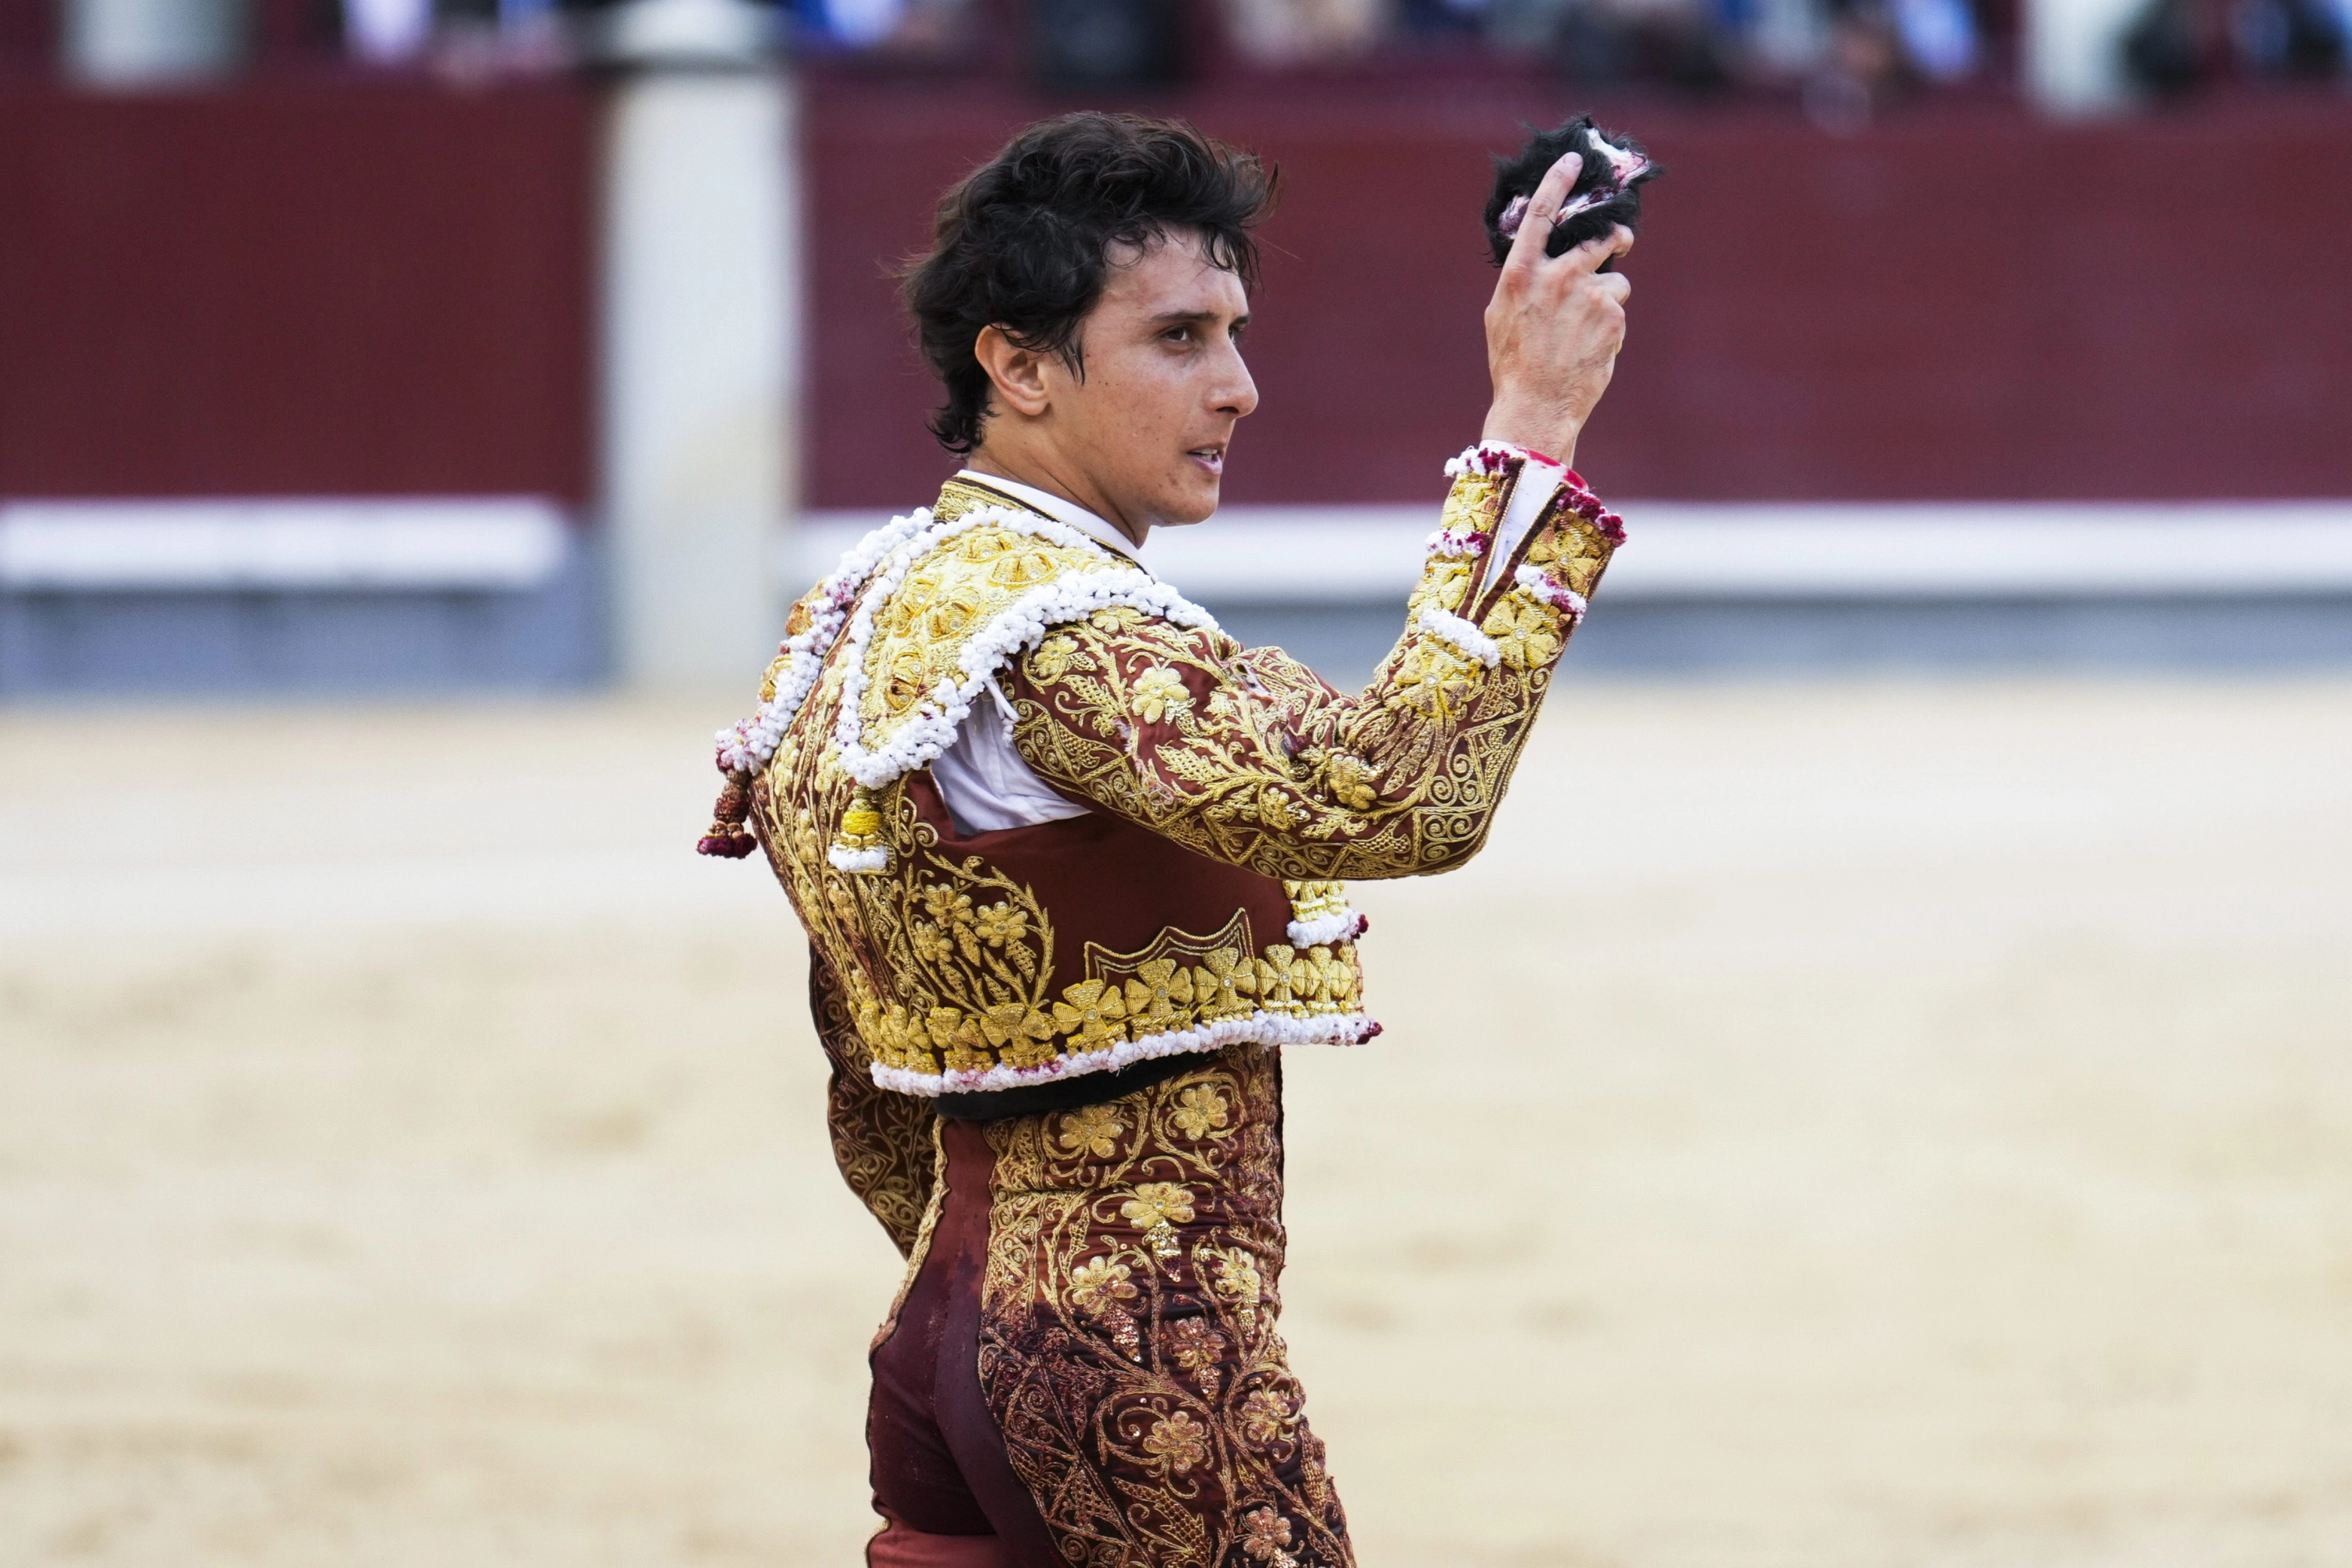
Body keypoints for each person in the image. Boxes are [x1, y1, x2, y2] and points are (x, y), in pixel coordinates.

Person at [699, 111, 1634, 1568]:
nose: (1241, 389)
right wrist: (1531, 429)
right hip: (1134, 1355)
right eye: (1181, 339)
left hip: (949, 1336)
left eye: (1234, 333)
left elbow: (857, 1022)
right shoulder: (1053, 631)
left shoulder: (876, 603)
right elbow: (1399, 795)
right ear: (1016, 366)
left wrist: (977, 1300)